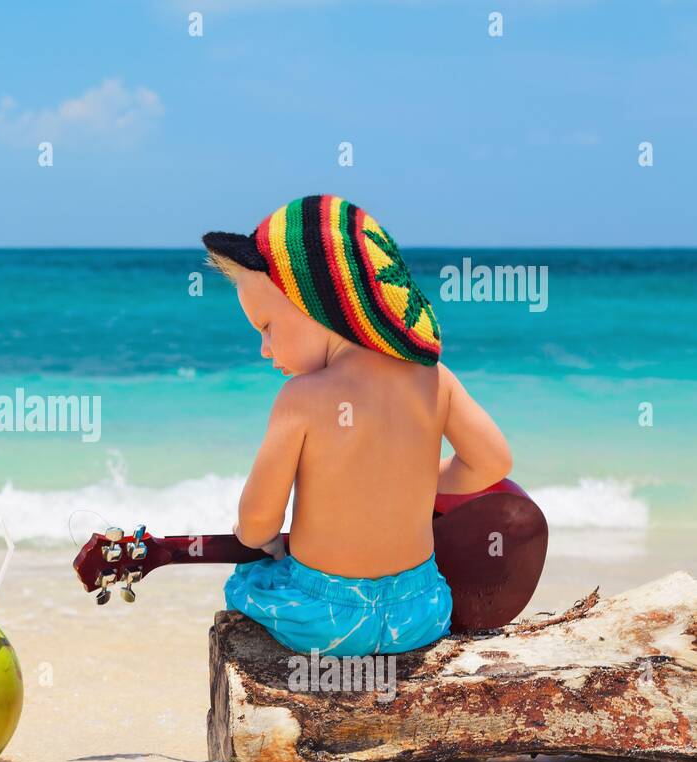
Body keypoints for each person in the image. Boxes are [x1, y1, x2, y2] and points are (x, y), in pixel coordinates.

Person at [202, 195, 511, 656]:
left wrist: (260, 538)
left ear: (316, 304)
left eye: (267, 327)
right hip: (421, 612)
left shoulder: (300, 399)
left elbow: (257, 523)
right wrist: (426, 484)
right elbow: (492, 462)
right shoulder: (434, 378)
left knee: (246, 582)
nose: (265, 350)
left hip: (326, 620)